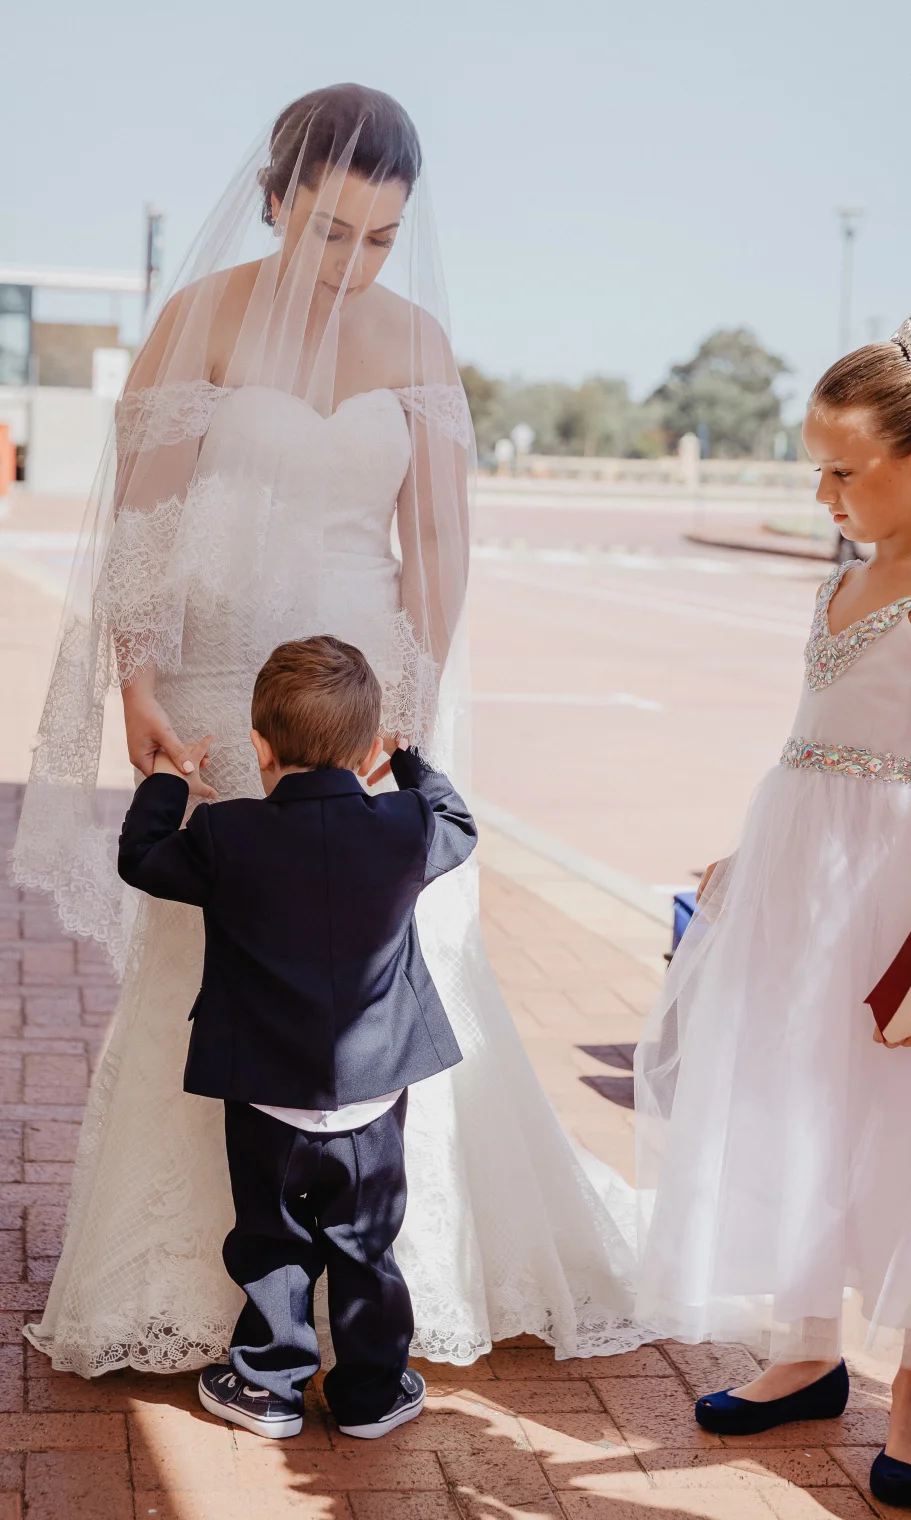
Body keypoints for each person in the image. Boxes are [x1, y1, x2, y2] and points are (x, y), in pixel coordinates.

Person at [13, 83, 644, 1378]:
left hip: (362, 700)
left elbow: (440, 545)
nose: (353, 263)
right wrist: (137, 679)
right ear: (277, 199)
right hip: (216, 692)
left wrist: (411, 709)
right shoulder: (200, 316)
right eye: (330, 230)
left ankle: (383, 1274)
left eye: (380, 237)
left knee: (389, 962)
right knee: (205, 964)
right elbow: (145, 521)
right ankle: (194, 1276)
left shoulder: (416, 340)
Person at [635, 308, 911, 1510]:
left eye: (842, 472)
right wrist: (750, 851)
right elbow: (812, 742)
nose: (822, 493)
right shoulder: (840, 580)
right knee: (793, 1096)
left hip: (907, 896)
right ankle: (805, 1349)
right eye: (816, 470)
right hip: (802, 879)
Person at [118, 635, 476, 1439]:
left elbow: (141, 859)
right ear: (364, 748)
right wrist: (407, 759)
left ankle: (268, 1388)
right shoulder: (407, 824)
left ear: (259, 746)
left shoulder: (226, 834)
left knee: (272, 1239)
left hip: (267, 1093)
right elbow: (459, 821)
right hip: (375, 1094)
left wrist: (170, 781)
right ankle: (371, 1394)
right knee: (366, 1243)